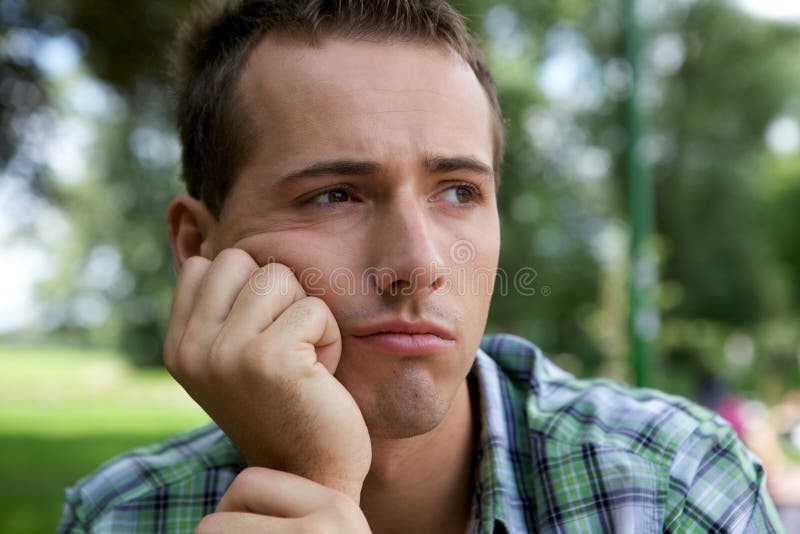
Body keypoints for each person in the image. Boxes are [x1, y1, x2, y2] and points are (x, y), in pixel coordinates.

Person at [57, 1, 784, 532]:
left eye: (459, 191)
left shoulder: (674, 486)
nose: (419, 265)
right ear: (197, 247)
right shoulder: (121, 516)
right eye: (334, 195)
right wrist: (317, 480)